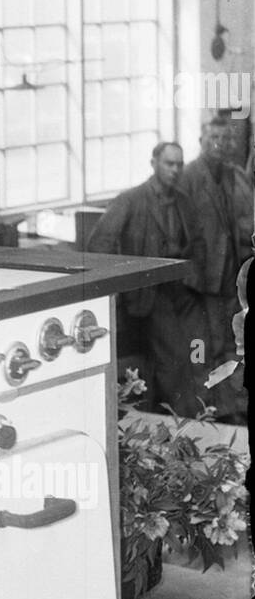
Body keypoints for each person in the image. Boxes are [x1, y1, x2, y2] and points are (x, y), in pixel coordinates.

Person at [88, 142, 208, 416]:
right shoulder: (131, 200)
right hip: (148, 294)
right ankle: (184, 420)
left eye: (179, 164)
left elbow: (198, 242)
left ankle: (198, 412)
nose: (175, 170)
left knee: (199, 349)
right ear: (153, 163)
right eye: (169, 164)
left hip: (183, 291)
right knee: (174, 357)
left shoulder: (184, 201)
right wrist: (120, 285)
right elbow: (99, 244)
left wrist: (194, 276)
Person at [178, 115, 253, 422]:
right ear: (201, 141)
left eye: (226, 140)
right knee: (200, 346)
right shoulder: (187, 178)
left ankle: (228, 408)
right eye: (214, 140)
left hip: (231, 280)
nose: (221, 145)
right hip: (200, 282)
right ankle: (202, 408)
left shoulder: (236, 176)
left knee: (229, 344)